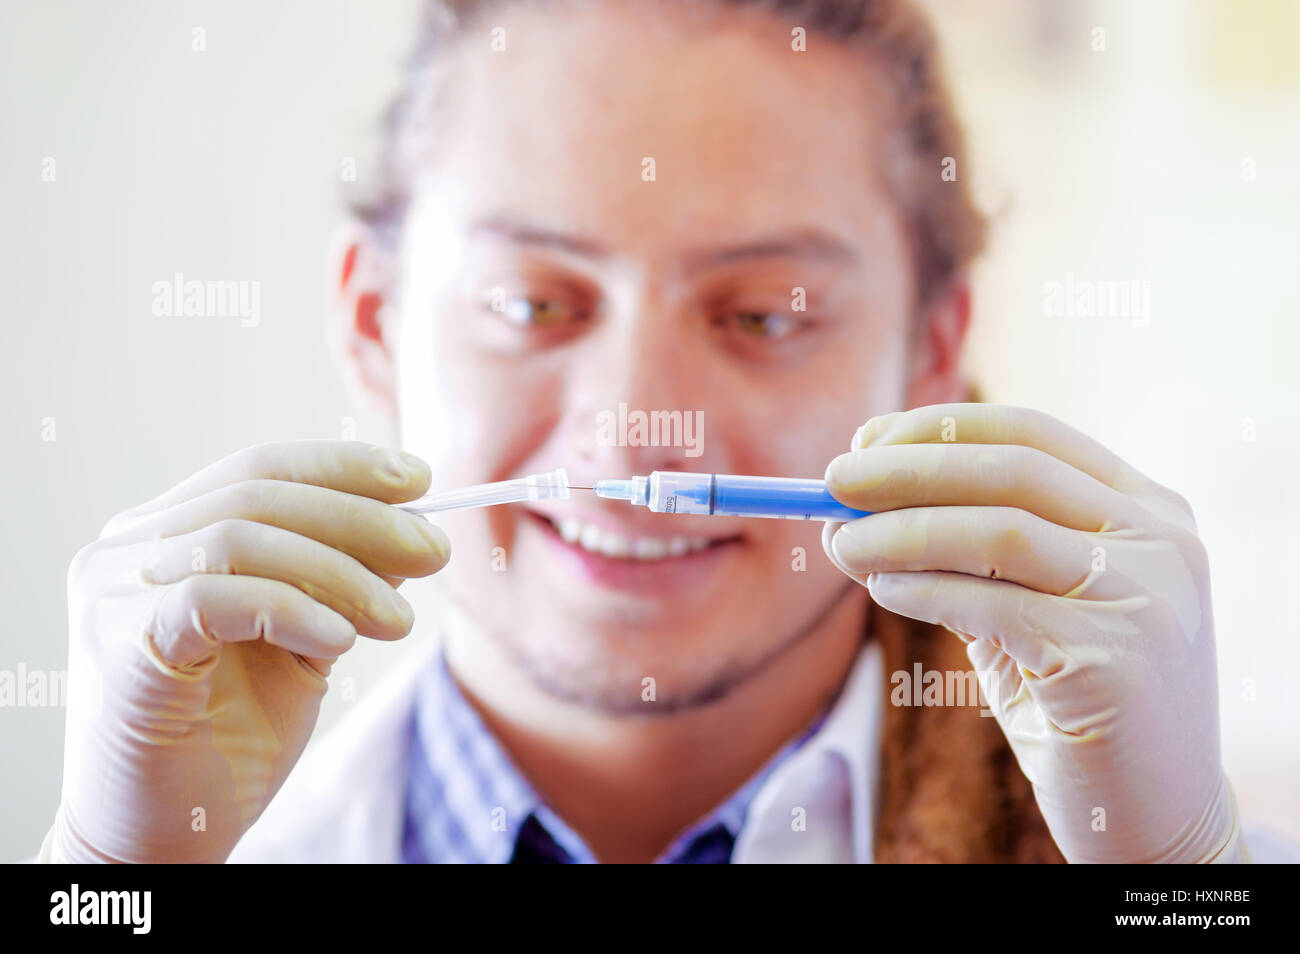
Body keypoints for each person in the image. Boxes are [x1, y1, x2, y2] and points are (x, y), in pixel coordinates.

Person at [34, 0, 1297, 864]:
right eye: (533, 303)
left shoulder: (1156, 836)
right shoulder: (181, 852)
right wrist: (104, 873)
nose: (636, 434)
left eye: (762, 314)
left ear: (932, 349)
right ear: (370, 321)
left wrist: (1178, 877)